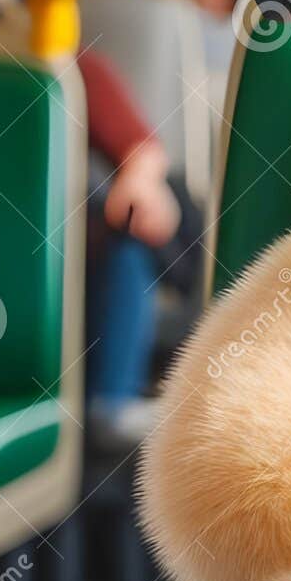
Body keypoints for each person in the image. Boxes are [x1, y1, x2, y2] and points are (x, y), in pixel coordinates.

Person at [78, 44, 180, 448]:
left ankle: (112, 400)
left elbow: (141, 152)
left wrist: (139, 184)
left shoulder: (66, 65)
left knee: (128, 237)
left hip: (80, 248)